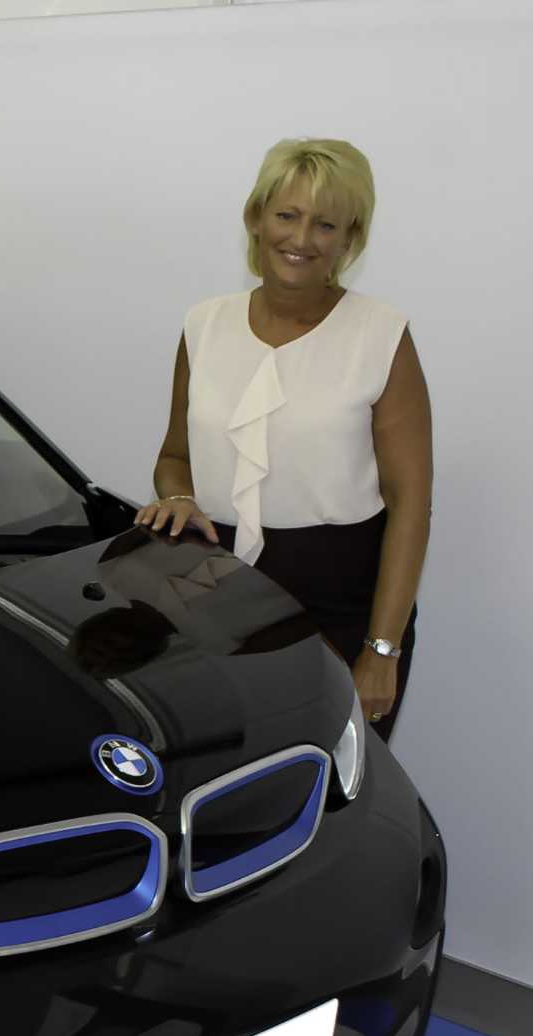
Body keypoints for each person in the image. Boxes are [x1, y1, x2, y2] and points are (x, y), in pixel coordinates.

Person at [141, 137, 433, 735]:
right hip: (214, 593)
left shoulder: (382, 335)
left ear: (349, 240)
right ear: (255, 217)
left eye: (325, 224)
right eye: (287, 215)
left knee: (329, 796)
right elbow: (175, 457)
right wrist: (177, 498)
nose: (302, 240)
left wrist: (382, 650)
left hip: (342, 606)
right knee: (220, 781)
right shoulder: (205, 324)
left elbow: (411, 506)